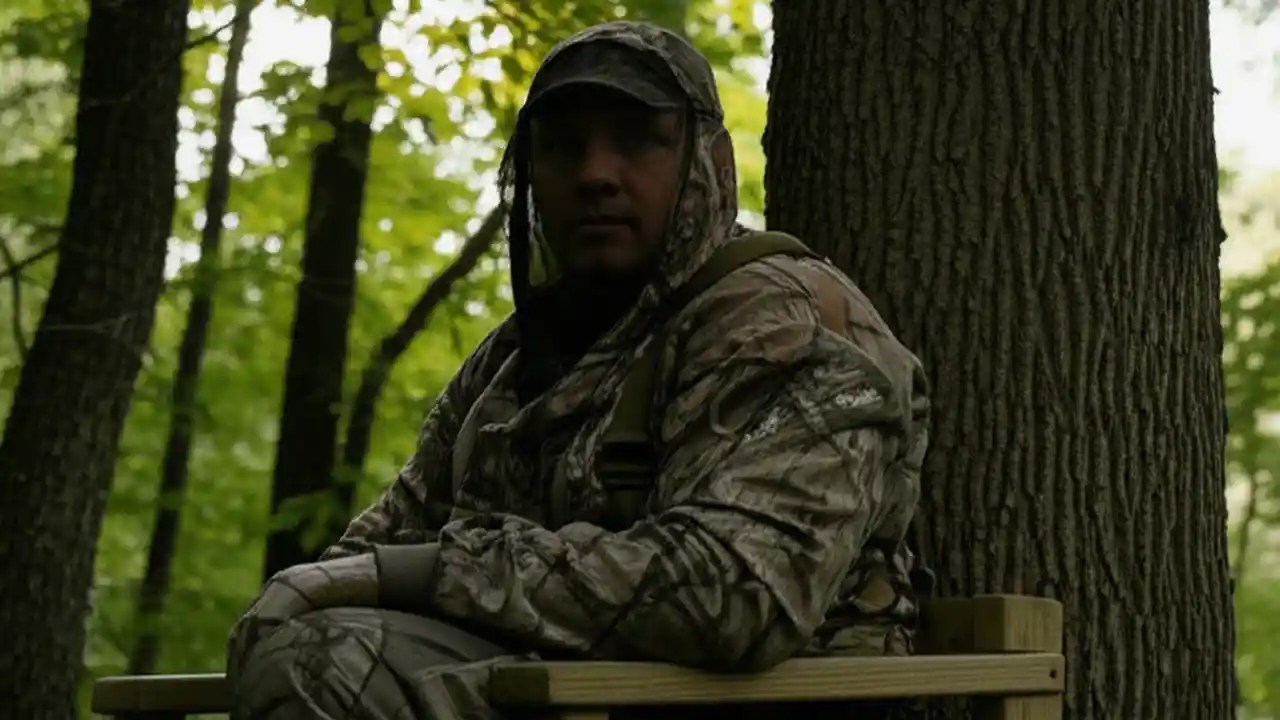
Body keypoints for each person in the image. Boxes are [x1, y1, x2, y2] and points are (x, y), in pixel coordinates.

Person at [227, 20, 930, 720]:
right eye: (565, 148)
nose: (595, 174)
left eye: (634, 141)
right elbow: (380, 546)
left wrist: (436, 573)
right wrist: (327, 586)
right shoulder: (516, 359)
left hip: (766, 700)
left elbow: (737, 592)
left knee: (322, 665)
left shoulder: (777, 320)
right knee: (299, 643)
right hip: (571, 692)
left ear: (708, 163)